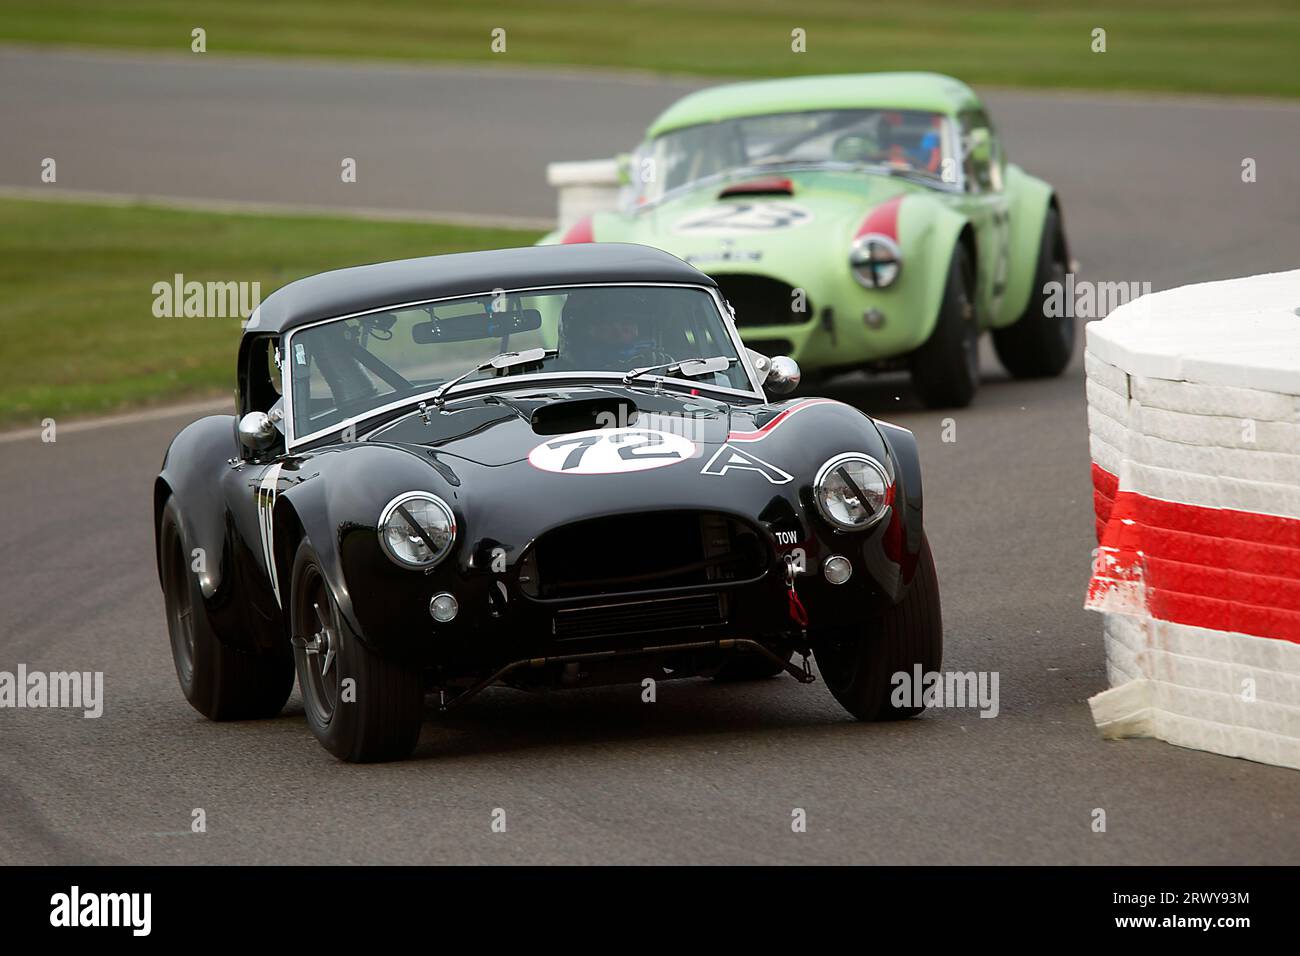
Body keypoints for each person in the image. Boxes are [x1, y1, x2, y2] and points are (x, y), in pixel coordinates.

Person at [557, 288, 673, 369]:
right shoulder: (564, 369)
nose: (617, 328)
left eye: (627, 322)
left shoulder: (660, 363)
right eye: (605, 323)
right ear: (587, 330)